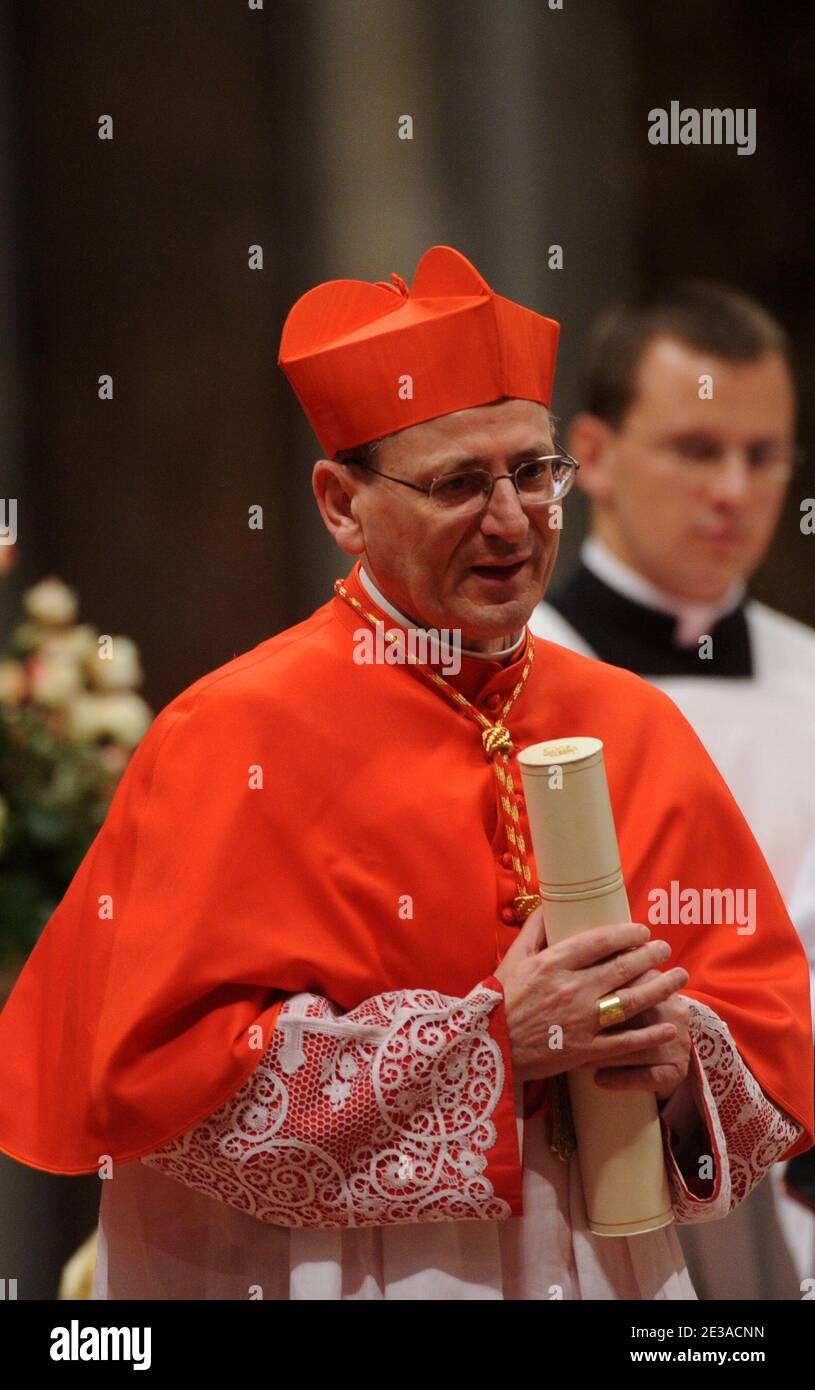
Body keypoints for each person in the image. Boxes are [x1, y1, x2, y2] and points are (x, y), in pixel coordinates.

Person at [0, 247, 812, 1302]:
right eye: (456, 483)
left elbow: (760, 1055)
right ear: (341, 504)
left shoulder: (629, 720)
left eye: (530, 471)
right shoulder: (234, 731)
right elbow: (170, 1100)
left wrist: (676, 1060)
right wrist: (490, 1041)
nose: (512, 521)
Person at [529, 279, 815, 1298]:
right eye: (696, 449)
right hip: (585, 1190)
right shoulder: (519, 678)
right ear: (592, 456)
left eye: (762, 453)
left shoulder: (807, 676)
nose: (733, 490)